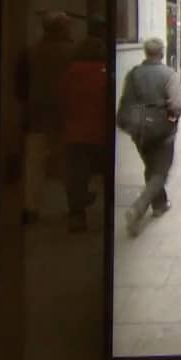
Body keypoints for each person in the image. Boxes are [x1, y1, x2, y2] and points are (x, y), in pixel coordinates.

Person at [117, 38, 181, 237]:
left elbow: (125, 102)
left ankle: (160, 204)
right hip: (162, 130)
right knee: (161, 171)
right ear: (162, 53)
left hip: (139, 131)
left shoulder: (133, 74)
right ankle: (138, 208)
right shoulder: (168, 74)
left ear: (146, 53)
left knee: (151, 166)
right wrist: (172, 117)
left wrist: (129, 126)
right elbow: (177, 103)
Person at [14, 11, 73, 224]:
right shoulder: (71, 52)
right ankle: (72, 205)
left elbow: (20, 86)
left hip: (36, 114)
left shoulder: (30, 52)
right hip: (63, 114)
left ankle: (31, 208)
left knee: (33, 163)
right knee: (67, 161)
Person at [59, 24, 106, 232]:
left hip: (74, 132)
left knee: (76, 177)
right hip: (99, 132)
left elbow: (61, 98)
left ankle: (77, 216)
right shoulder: (104, 72)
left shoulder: (70, 71)